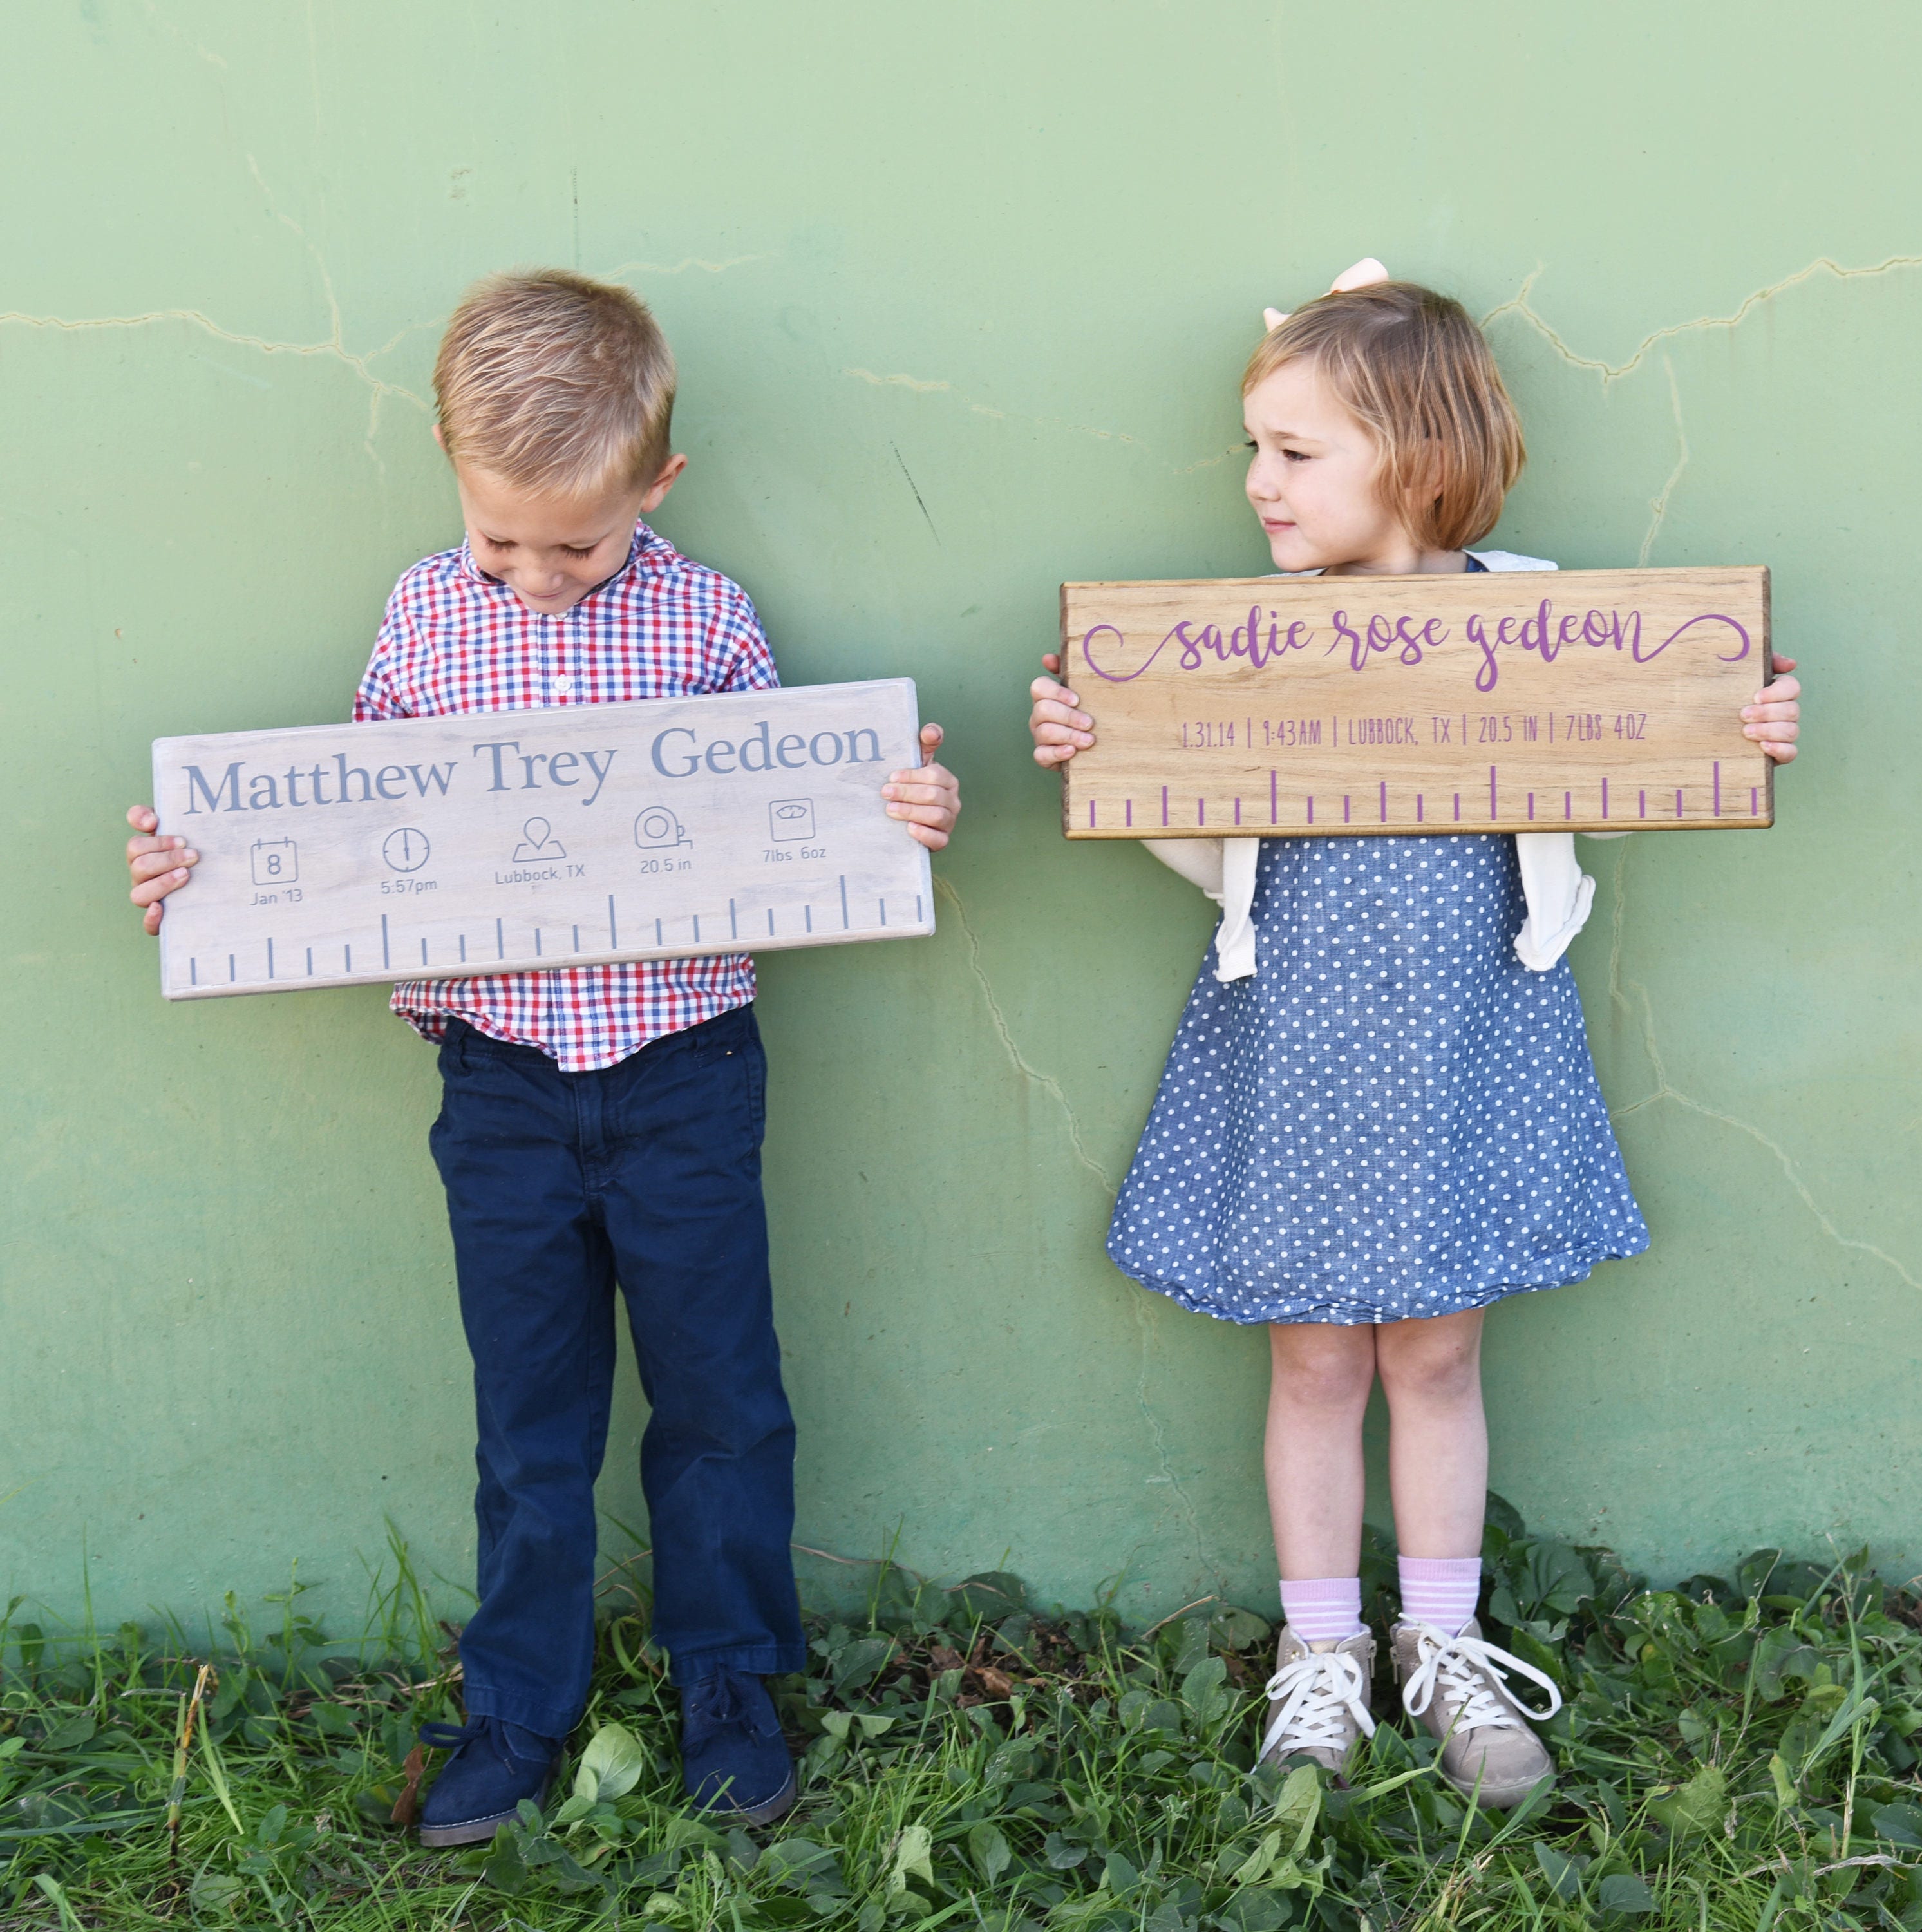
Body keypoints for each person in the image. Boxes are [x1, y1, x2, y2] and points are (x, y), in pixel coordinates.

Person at [124, 270, 960, 1844]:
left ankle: (727, 1678)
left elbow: (781, 823)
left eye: (575, 543)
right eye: (500, 539)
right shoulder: (426, 617)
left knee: (723, 1397)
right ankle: (514, 1705)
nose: (534, 579)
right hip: (500, 1083)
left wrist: (892, 814)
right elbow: (350, 828)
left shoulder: (708, 619)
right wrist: (204, 870)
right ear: (456, 489)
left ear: (658, 486)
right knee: (531, 1418)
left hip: (686, 1066)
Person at [1028, 264, 1801, 1805]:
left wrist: (1733, 722)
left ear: (1417, 456)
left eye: (1295, 454)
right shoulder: (1244, 644)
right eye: (1255, 449)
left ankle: (1441, 1646)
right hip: (1296, 1030)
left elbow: (1617, 761)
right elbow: (1216, 854)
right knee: (1315, 1358)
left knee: (1437, 1352)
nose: (1259, 484)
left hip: (1473, 1027)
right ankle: (1321, 1661)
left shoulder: (1540, 626)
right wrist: (1107, 770)